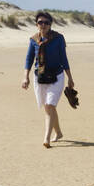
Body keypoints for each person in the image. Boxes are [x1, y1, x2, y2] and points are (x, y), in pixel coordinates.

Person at [21, 11, 76, 147]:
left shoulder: (58, 39)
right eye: (40, 22)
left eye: (46, 22)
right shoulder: (33, 40)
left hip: (57, 76)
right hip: (40, 77)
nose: (43, 25)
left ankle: (46, 138)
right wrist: (25, 77)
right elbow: (29, 60)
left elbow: (64, 58)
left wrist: (70, 78)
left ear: (50, 25)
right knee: (49, 107)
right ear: (36, 24)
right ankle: (58, 133)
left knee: (50, 105)